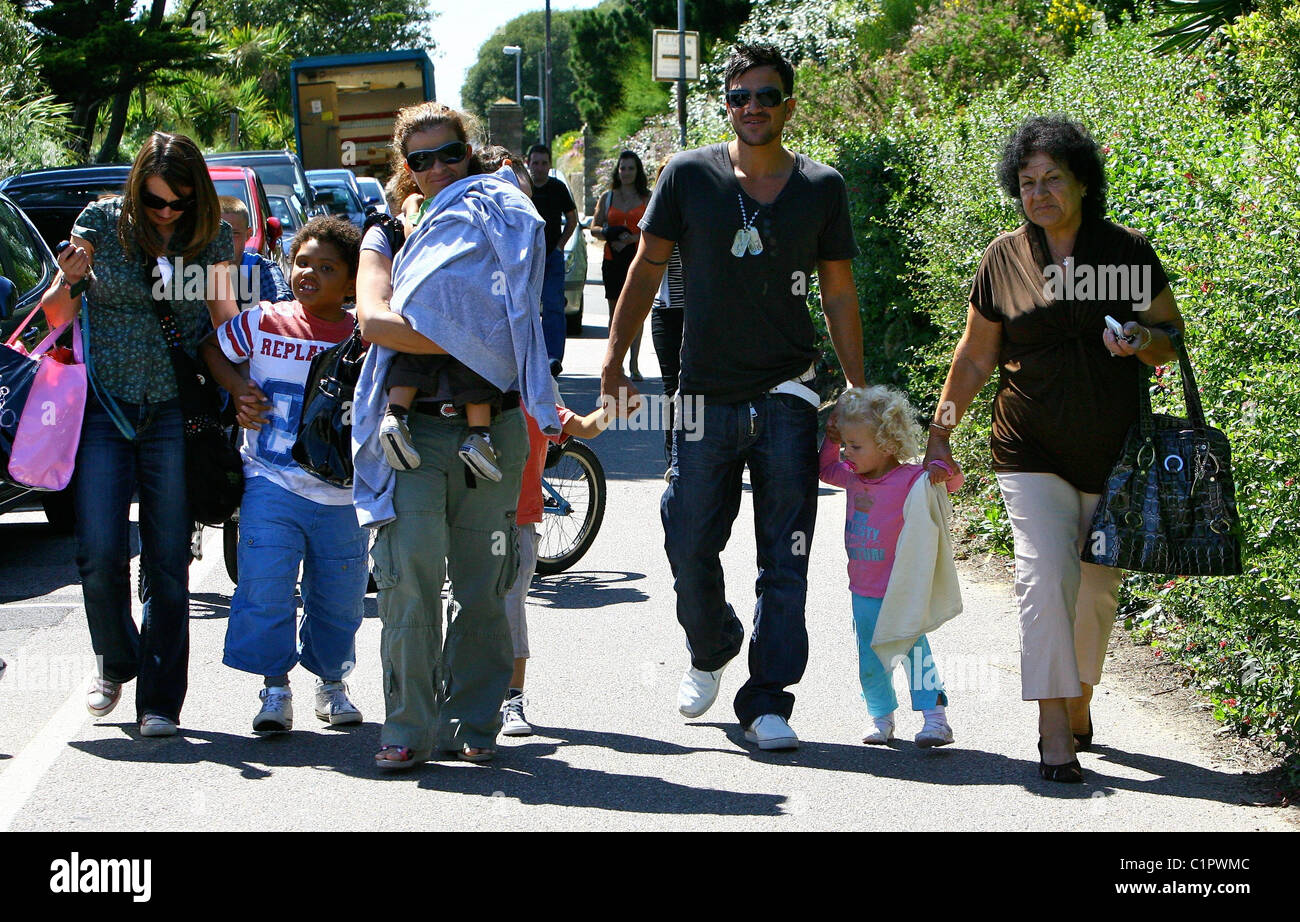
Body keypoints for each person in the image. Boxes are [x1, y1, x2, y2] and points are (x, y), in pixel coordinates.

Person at [601, 43, 866, 751]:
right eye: (741, 95)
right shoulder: (690, 175)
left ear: (789, 104)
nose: (753, 107)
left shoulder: (822, 186)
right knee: (687, 532)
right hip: (702, 393)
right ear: (727, 103)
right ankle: (712, 641)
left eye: (767, 95)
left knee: (786, 553)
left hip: (788, 392)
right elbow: (648, 270)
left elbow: (838, 292)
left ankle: (768, 698)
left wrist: (858, 389)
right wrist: (615, 360)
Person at [923, 114, 1185, 783]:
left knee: (1094, 592)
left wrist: (1139, 341)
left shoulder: (1127, 253)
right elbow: (977, 356)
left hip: (1114, 453)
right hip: (1027, 446)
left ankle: (1078, 699)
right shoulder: (1003, 259)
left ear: (1082, 182)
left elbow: (1170, 341)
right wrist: (941, 430)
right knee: (1044, 578)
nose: (1038, 192)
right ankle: (1051, 729)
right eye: (1027, 182)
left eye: (1052, 179)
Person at [353, 102, 559, 769]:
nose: (439, 167)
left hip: (492, 430)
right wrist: (471, 336)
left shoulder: (501, 211)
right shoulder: (386, 231)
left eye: (451, 154)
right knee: (408, 578)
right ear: (403, 169)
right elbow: (375, 323)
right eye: (422, 159)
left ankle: (473, 720)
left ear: (469, 153)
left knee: (485, 584)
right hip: (411, 435)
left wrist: (457, 332)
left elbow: (514, 312)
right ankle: (408, 724)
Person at [40, 131, 238, 737]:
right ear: (135, 193)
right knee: (99, 551)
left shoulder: (214, 238)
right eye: (155, 202)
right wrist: (70, 280)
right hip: (104, 408)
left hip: (176, 411)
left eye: (179, 202)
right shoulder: (100, 222)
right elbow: (54, 314)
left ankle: (159, 701)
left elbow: (224, 322)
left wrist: (250, 382)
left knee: (168, 560)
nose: (167, 213)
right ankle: (115, 660)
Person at [199, 216, 367, 734]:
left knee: (338, 598)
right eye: (301, 262)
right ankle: (275, 688)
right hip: (270, 482)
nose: (309, 273)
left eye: (327, 267)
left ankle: (332, 685)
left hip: (343, 495)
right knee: (266, 587)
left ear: (352, 280)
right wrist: (236, 388)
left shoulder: (367, 334)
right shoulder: (265, 320)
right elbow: (211, 348)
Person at [821, 385, 963, 747]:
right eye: (846, 445)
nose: (847, 453)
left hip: (901, 588)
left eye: (856, 446)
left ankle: (935, 718)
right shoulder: (852, 475)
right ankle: (880, 716)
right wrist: (830, 438)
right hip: (863, 589)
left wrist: (943, 469)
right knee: (870, 657)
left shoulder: (910, 478)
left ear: (886, 444)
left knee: (915, 651)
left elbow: (952, 483)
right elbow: (824, 469)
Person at [501, 395, 610, 736]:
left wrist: (611, 410)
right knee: (464, 605)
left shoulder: (536, 401)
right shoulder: (469, 387)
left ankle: (512, 699)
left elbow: (584, 428)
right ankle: (460, 696)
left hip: (520, 521)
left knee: (511, 607)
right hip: (469, 520)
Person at [592, 151, 651, 381]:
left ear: (638, 172)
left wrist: (633, 239)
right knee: (615, 314)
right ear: (618, 171)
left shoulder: (647, 198)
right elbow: (594, 228)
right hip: (613, 261)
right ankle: (615, 363)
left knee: (636, 312)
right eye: (623, 168)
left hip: (638, 260)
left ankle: (634, 364)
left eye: (631, 168)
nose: (626, 173)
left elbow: (655, 229)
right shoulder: (608, 197)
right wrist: (609, 233)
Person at [525, 144, 577, 376]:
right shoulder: (522, 189)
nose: (539, 167)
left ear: (549, 165)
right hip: (526, 258)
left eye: (544, 163)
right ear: (528, 164)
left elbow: (572, 219)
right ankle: (528, 358)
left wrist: (559, 246)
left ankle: (553, 359)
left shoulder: (557, 187)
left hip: (551, 257)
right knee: (525, 308)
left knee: (554, 308)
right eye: (535, 163)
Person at [218, 195, 292, 312]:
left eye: (234, 233)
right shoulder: (195, 269)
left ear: (248, 234)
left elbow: (281, 307)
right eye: (218, 233)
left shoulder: (260, 267)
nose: (226, 241)